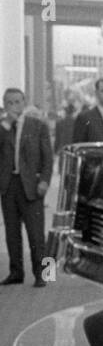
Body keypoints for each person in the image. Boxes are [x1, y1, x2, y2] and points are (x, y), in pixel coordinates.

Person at [0, 88, 54, 287]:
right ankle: (16, 273)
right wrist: (5, 126)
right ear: (5, 105)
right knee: (12, 233)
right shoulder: (2, 127)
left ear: (24, 103)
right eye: (10, 102)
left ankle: (45, 274)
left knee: (37, 234)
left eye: (17, 102)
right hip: (9, 186)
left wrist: (45, 181)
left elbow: (48, 158)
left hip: (32, 185)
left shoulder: (37, 126)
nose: (14, 106)